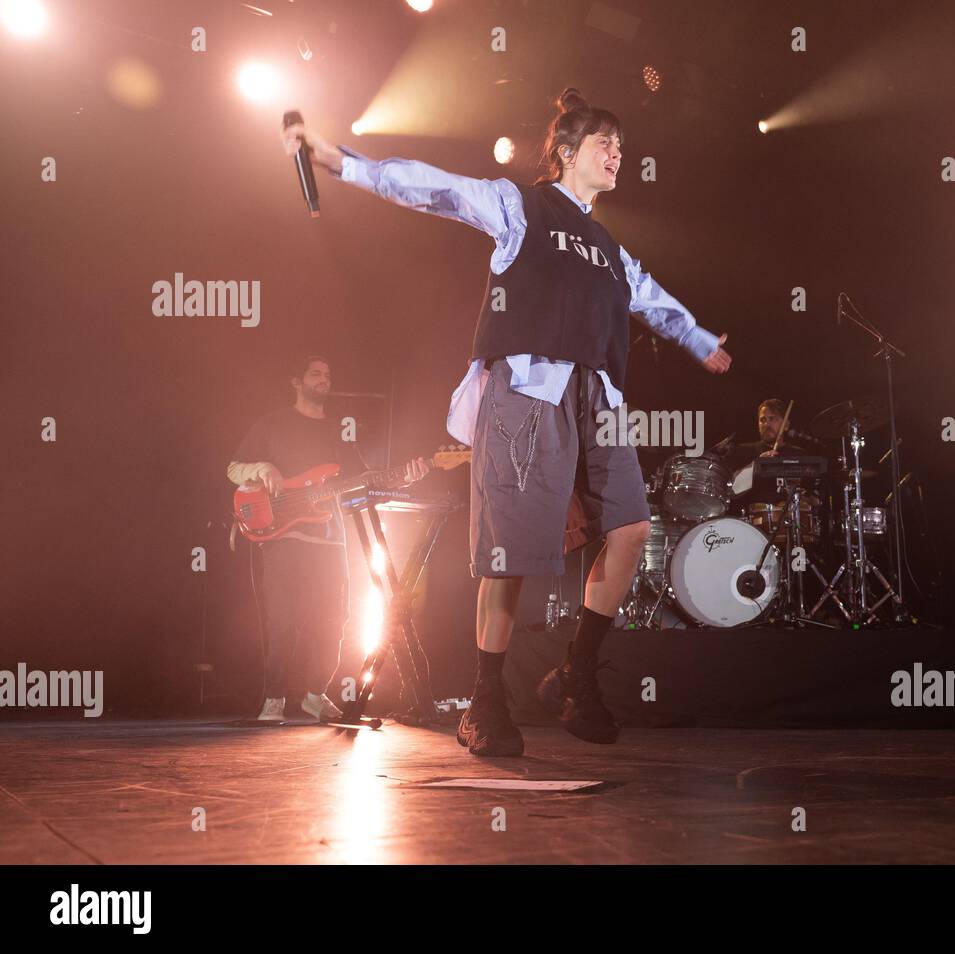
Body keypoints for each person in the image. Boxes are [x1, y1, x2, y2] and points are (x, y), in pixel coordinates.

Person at [282, 88, 732, 756]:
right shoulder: (520, 205)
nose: (617, 155)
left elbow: (654, 298)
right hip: (528, 387)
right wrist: (341, 161)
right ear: (568, 152)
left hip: (597, 396)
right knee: (511, 556)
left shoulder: (609, 247)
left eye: (622, 147)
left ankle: (578, 672)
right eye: (605, 143)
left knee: (633, 528)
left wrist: (700, 341)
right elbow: (436, 188)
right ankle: (486, 699)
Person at [228, 355, 429, 722]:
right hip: (282, 539)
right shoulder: (271, 424)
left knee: (334, 619)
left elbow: (364, 479)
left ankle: (315, 695)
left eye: (328, 375)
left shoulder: (339, 429)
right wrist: (262, 467)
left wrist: (403, 477)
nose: (324, 380)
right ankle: (273, 700)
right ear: (296, 380)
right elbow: (233, 468)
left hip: (329, 540)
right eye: (315, 374)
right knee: (281, 622)